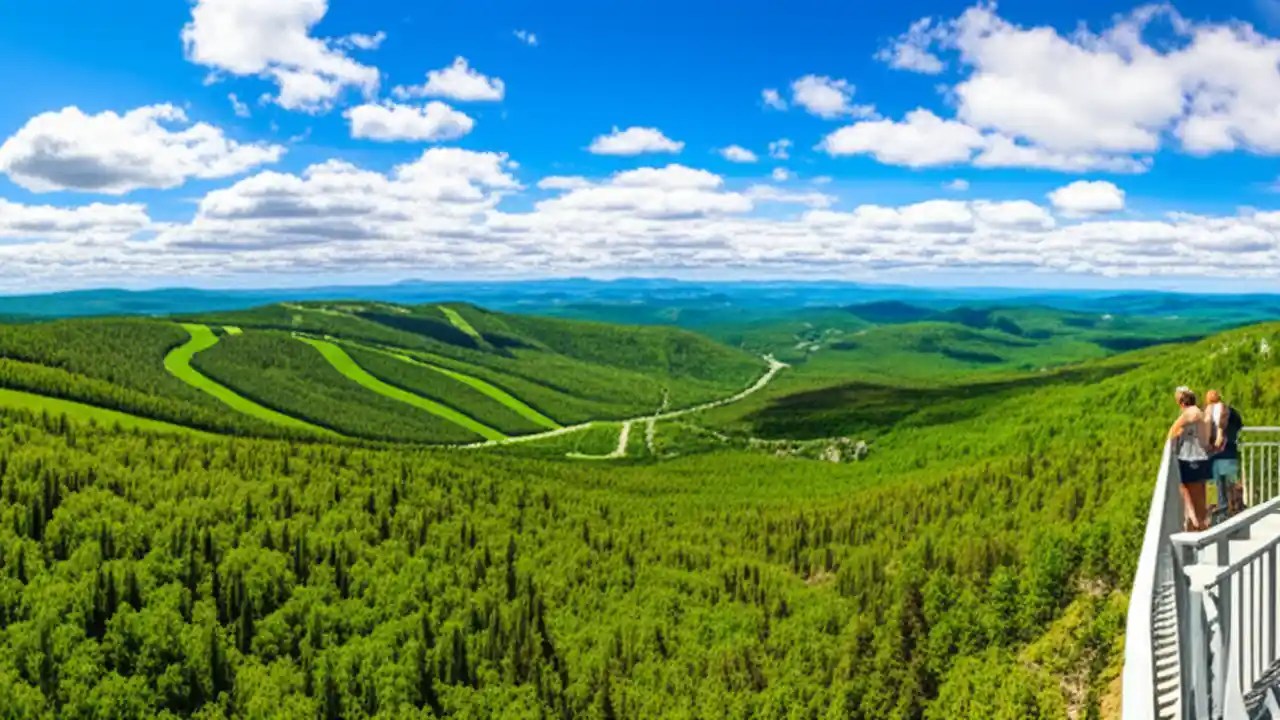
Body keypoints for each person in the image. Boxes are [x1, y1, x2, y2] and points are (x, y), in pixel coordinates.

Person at [1169, 386, 1212, 531]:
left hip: (1190, 457)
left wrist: (1178, 434)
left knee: (1186, 489)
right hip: (1202, 457)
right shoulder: (1201, 413)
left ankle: (1194, 522)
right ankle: (1200, 523)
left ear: (1182, 402)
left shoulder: (1189, 414)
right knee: (1200, 494)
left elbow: (1171, 433)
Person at [1205, 389, 1244, 520]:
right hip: (1230, 451)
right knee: (1230, 483)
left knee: (1214, 485)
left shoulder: (1211, 412)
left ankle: (1217, 515)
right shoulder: (1231, 411)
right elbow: (1239, 425)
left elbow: (1209, 434)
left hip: (1216, 453)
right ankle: (1235, 513)